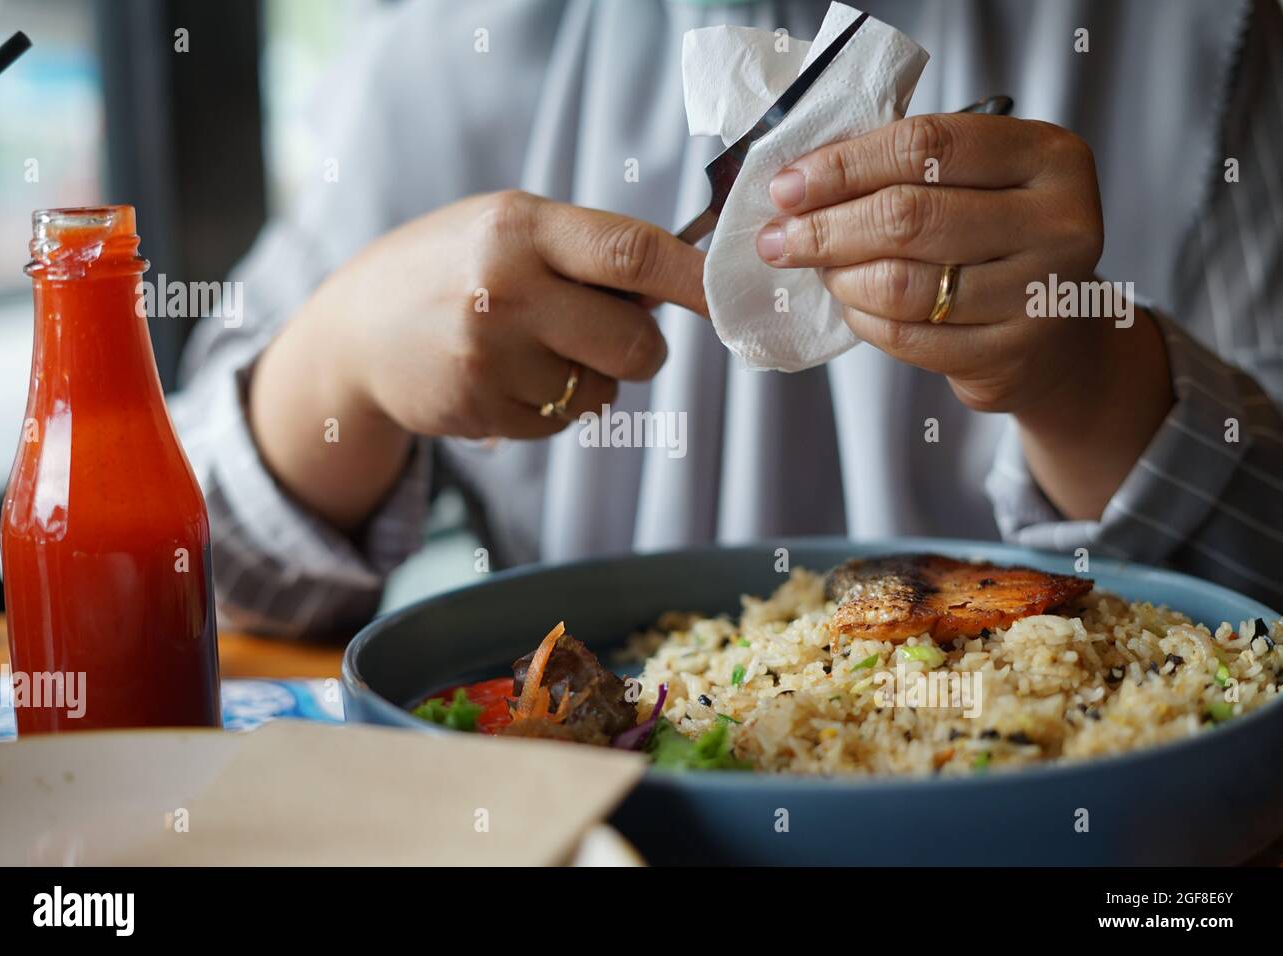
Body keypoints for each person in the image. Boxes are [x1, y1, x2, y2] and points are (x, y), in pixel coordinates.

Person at [171, 0, 1283, 636]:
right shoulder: (438, 49)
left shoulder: (1211, 43)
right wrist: (340, 361)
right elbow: (187, 570)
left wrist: (1083, 375)